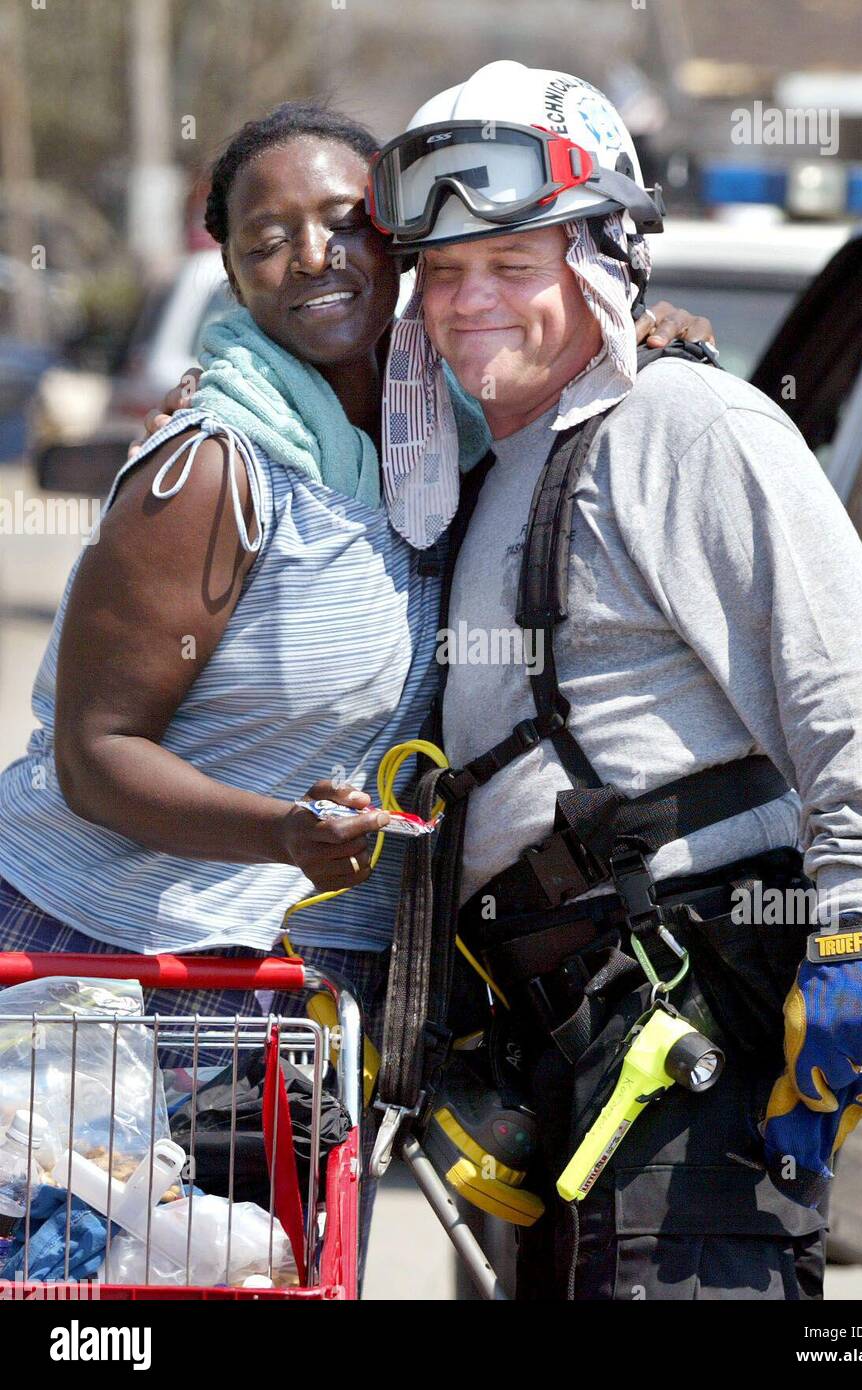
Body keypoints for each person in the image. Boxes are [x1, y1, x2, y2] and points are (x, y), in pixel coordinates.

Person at [0, 98, 711, 1275]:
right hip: (104, 987)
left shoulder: (454, 437)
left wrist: (639, 334)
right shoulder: (213, 466)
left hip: (300, 1005)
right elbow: (94, 751)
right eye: (266, 235)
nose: (312, 258)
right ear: (224, 258)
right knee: (91, 1317)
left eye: (345, 223)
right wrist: (281, 831)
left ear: (399, 238)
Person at [365, 60, 862, 1300]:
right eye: (445, 273)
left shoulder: (683, 428)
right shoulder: (503, 452)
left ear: (604, 262)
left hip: (686, 1037)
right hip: (562, 1046)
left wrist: (853, 925)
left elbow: (858, 677)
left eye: (512, 267)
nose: (469, 304)